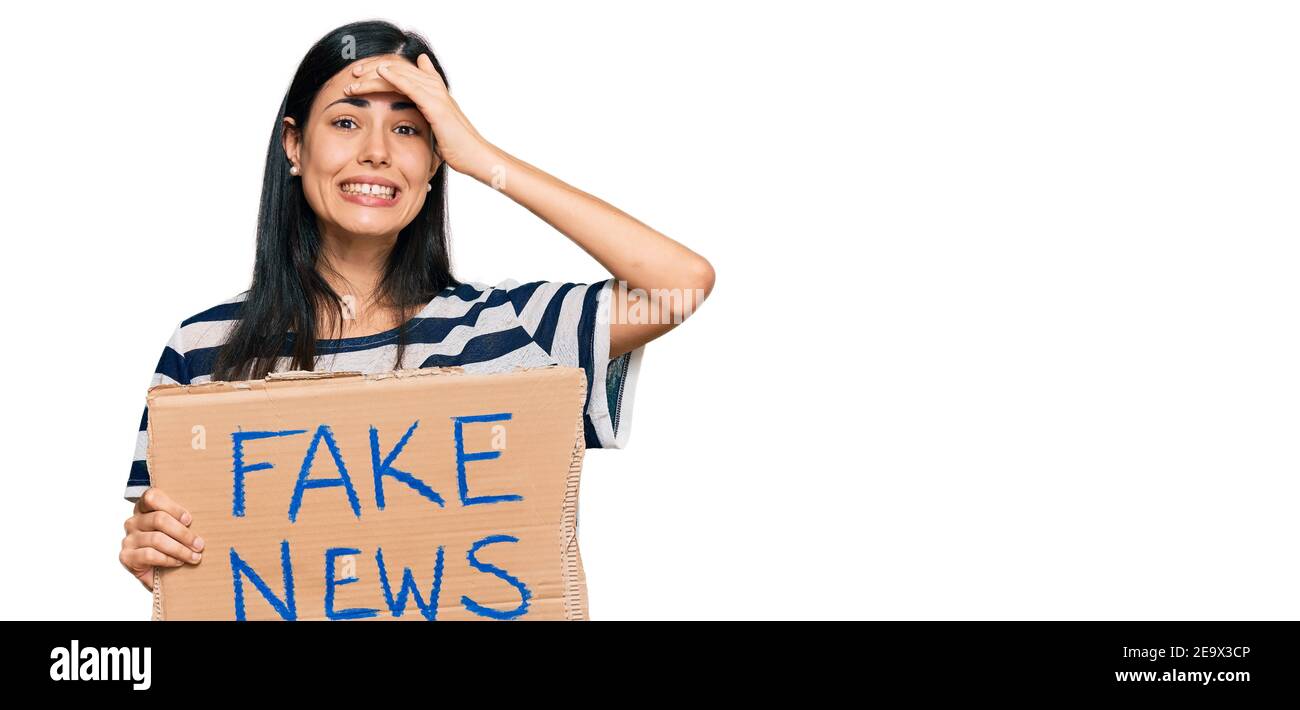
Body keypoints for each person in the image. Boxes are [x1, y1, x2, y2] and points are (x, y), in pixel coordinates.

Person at [119, 20, 714, 592]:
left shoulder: (510, 333)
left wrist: (481, 156)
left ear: (435, 159)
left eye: (409, 129)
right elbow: (182, 556)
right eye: (347, 122)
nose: (377, 152)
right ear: (294, 144)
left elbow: (680, 283)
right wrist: (153, 544)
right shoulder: (203, 348)